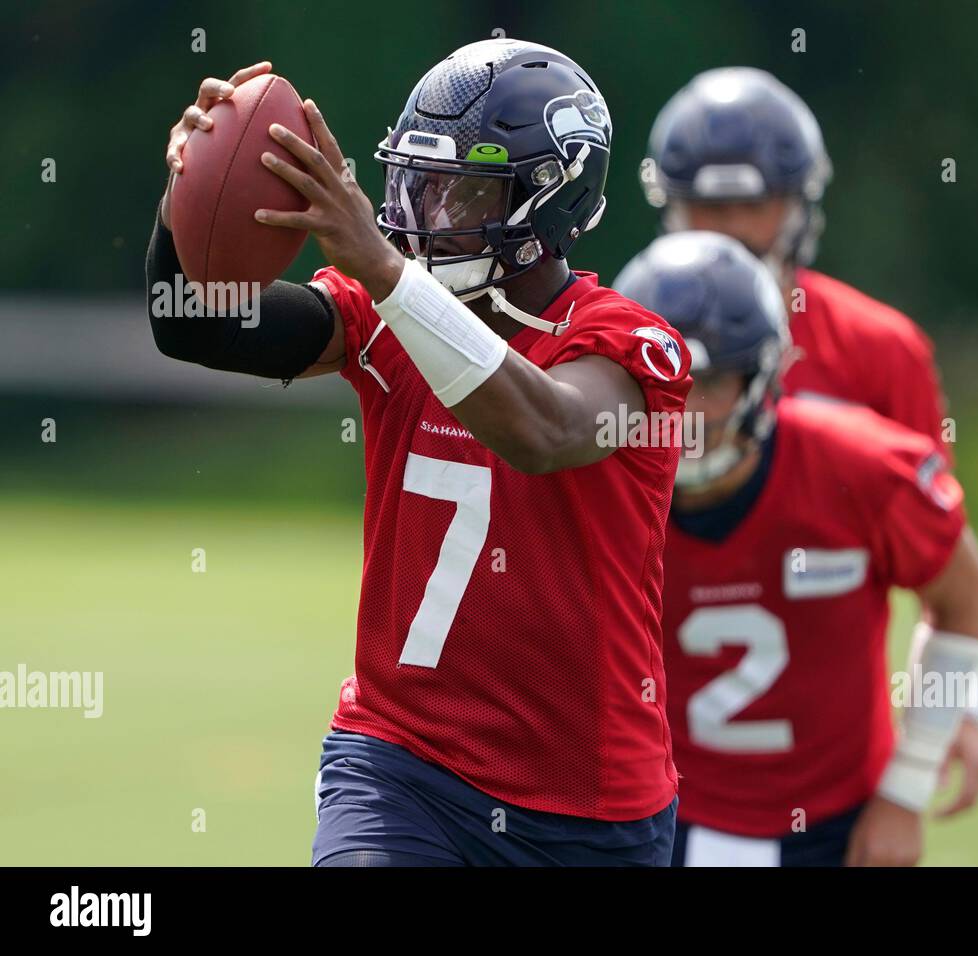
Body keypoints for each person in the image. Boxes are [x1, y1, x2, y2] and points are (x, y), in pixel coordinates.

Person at [146, 40, 693, 866]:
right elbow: (192, 323)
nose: (428, 214)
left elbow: (542, 433)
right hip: (402, 765)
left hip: (590, 804)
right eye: (419, 182)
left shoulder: (631, 345)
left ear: (550, 198)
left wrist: (387, 273)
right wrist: (188, 191)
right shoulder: (386, 312)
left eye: (463, 190)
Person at [614, 231, 978, 866]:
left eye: (709, 381)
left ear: (763, 376)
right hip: (656, 819)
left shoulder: (861, 467)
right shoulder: (595, 485)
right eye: (663, 381)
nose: (685, 410)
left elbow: (963, 598)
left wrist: (906, 789)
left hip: (834, 826)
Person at [640, 67, 950, 459]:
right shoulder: (629, 343)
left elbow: (927, 510)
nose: (734, 228)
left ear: (798, 206)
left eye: (755, 205)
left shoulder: (883, 350)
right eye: (712, 206)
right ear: (673, 207)